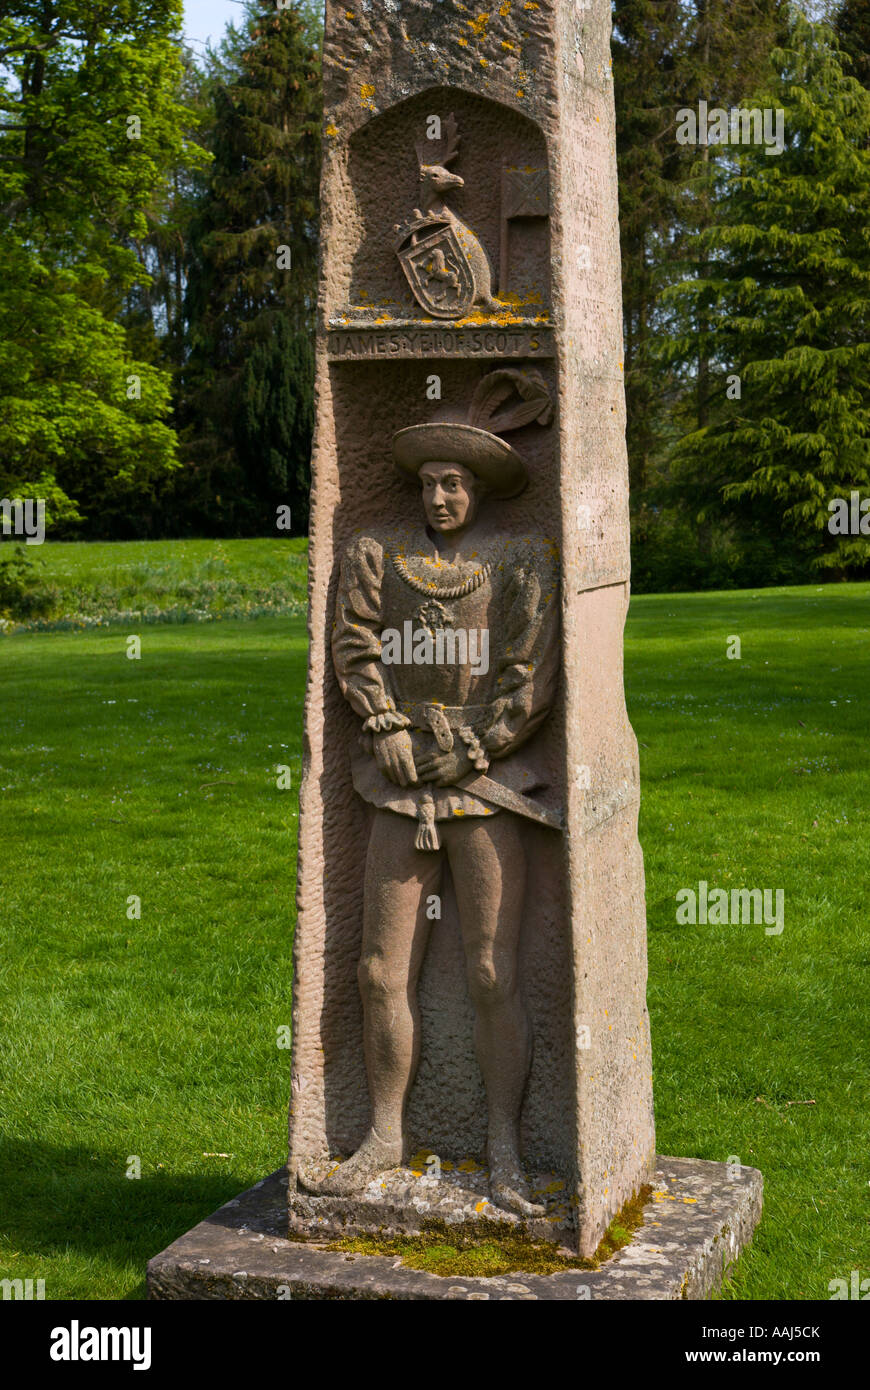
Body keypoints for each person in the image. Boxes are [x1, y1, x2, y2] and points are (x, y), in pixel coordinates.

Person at [309, 412, 559, 1215]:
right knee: (380, 969)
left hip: (483, 786)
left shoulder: (520, 558)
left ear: (479, 489)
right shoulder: (381, 554)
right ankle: (384, 1133)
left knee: (491, 971)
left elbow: (529, 668)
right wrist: (381, 722)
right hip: (399, 781)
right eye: (428, 484)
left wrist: (482, 742)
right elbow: (355, 644)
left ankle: (504, 1145)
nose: (440, 497)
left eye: (454, 484)